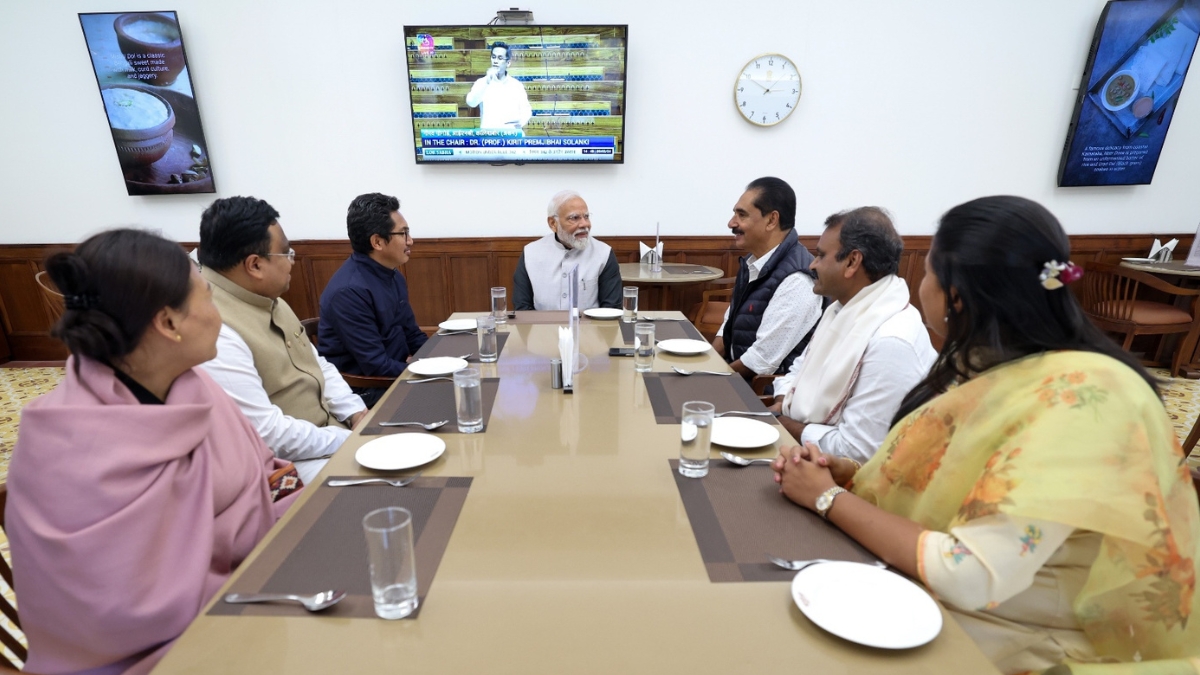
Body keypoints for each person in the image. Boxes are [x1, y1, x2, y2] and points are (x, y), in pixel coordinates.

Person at [772, 196, 1200, 674]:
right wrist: (850, 474)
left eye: (929, 272)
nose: (920, 285)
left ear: (957, 295)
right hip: (940, 600)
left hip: (1019, 637)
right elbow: (938, 475)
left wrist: (829, 499)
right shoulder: (987, 363)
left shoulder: (1084, 402)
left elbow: (972, 575)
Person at [6, 229, 301, 675]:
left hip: (252, 593)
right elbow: (117, 617)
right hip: (158, 657)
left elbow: (263, 475)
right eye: (207, 295)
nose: (219, 313)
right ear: (168, 323)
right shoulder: (63, 449)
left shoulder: (193, 383)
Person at [198, 196, 366, 484]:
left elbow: (315, 362)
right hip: (286, 466)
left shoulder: (267, 297)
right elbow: (267, 434)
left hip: (329, 437)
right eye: (286, 254)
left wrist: (355, 412)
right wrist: (347, 439)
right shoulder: (214, 326)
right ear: (254, 265)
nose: (292, 261)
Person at [769, 207, 936, 465]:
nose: (812, 264)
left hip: (848, 483)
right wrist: (783, 402)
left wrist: (784, 423)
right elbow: (798, 371)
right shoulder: (843, 309)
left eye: (821, 255)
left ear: (852, 262)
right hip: (805, 452)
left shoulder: (891, 340)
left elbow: (857, 452)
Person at [318, 192, 428, 407]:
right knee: (454, 396)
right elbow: (375, 365)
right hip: (365, 391)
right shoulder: (349, 292)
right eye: (403, 234)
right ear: (377, 242)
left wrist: (442, 359)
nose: (410, 241)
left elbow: (412, 334)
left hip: (394, 374)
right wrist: (426, 371)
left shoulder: (392, 274)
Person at [713, 177, 823, 378]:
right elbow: (727, 325)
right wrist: (708, 362)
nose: (731, 223)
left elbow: (759, 362)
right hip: (735, 379)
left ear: (772, 220)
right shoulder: (753, 261)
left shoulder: (797, 280)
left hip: (762, 397)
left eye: (742, 215)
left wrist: (710, 378)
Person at [512, 190, 622, 311]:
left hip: (589, 329)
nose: (584, 224)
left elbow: (611, 309)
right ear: (553, 223)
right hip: (542, 328)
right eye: (574, 218)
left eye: (586, 216)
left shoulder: (603, 253)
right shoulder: (531, 253)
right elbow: (522, 307)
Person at [465, 41, 532, 130]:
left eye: (500, 58)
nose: (495, 61)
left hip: (510, 137)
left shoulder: (516, 85)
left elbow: (526, 111)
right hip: (489, 138)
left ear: (508, 63)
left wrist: (519, 123)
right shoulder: (482, 83)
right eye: (493, 57)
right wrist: (487, 82)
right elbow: (471, 102)